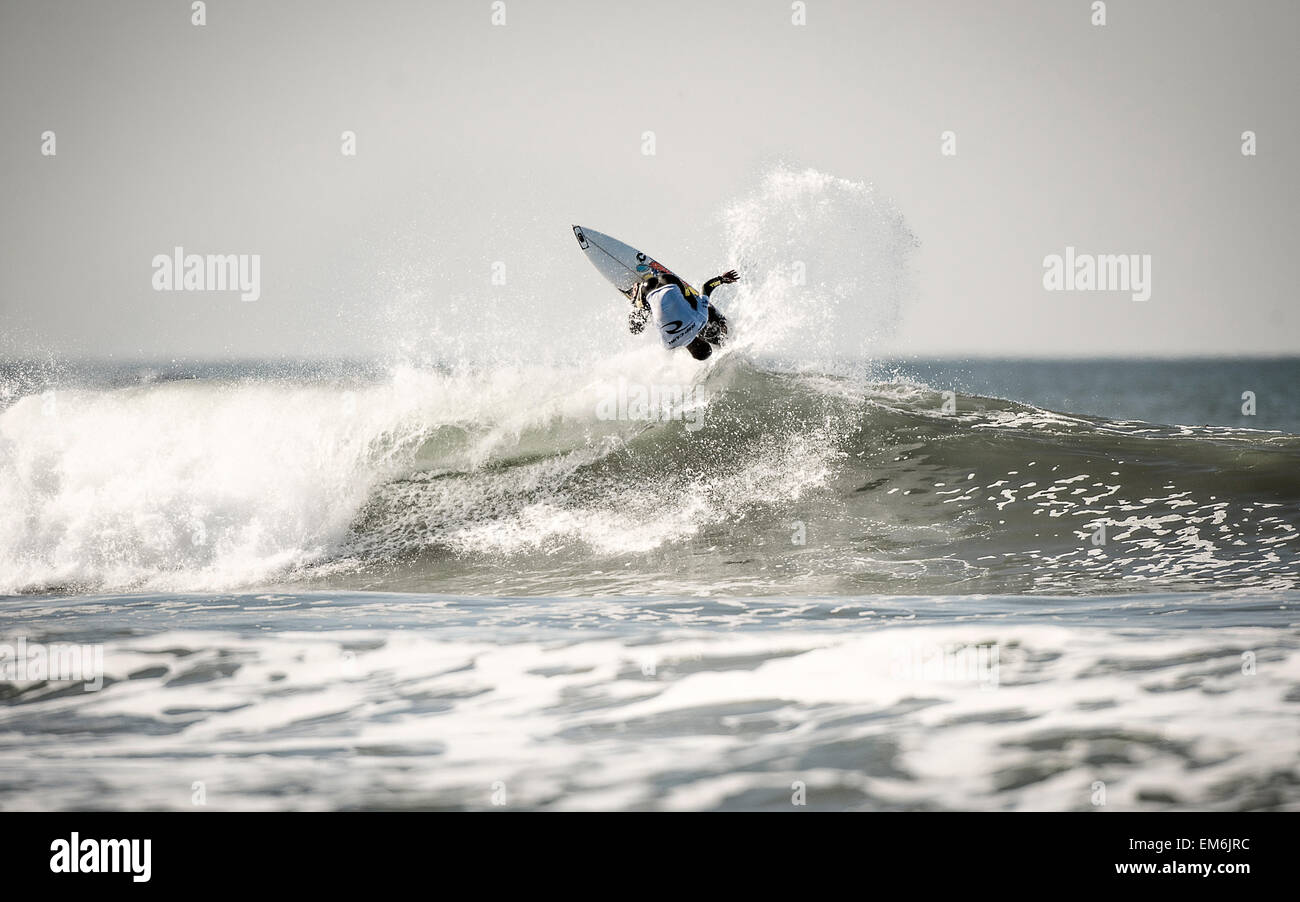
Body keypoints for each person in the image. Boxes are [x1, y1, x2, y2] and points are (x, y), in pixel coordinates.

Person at [627, 268, 739, 360]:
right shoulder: (668, 344)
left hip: (669, 280)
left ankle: (657, 273)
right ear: (691, 354)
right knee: (637, 328)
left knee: (697, 305)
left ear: (703, 340)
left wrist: (722, 279)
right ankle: (638, 301)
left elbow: (706, 287)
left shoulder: (701, 319)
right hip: (647, 289)